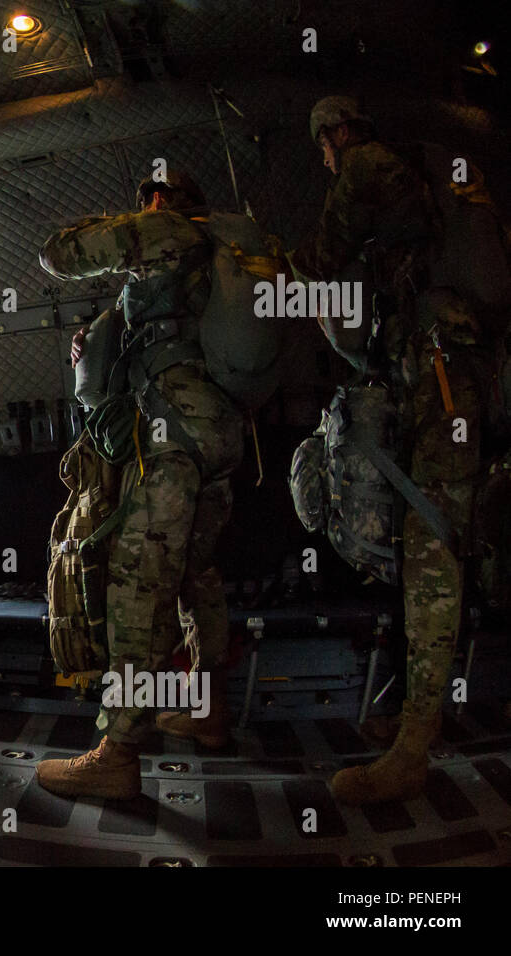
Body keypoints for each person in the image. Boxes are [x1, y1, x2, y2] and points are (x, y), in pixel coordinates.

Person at [291, 96, 486, 806]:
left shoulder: (367, 165)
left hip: (443, 372)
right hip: (426, 368)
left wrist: (284, 264)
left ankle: (415, 749)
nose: (324, 158)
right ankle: (413, 717)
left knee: (431, 544)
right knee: (418, 539)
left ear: (338, 133)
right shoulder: (403, 186)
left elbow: (325, 251)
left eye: (323, 146)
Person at [34, 171, 243, 799]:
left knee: (136, 586)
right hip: (224, 431)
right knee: (196, 577)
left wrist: (114, 223)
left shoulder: (165, 230)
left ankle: (118, 752)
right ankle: (207, 711)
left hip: (171, 434)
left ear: (161, 200)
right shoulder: (215, 260)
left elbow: (60, 254)